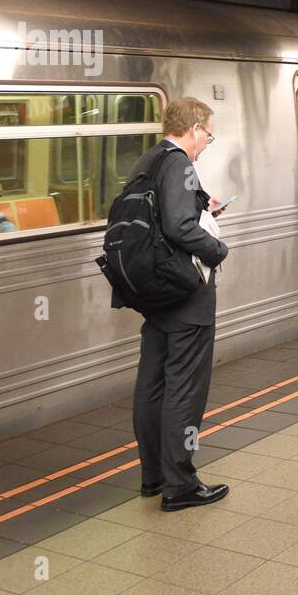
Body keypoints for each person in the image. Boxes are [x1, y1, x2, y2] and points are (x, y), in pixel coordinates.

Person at [127, 97, 231, 511]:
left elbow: (164, 216)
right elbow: (178, 225)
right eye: (207, 132)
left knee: (151, 387)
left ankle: (153, 476)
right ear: (193, 129)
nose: (206, 140)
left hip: (155, 293)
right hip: (186, 295)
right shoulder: (180, 164)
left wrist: (202, 204)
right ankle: (180, 485)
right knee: (184, 390)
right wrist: (217, 248)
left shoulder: (147, 161)